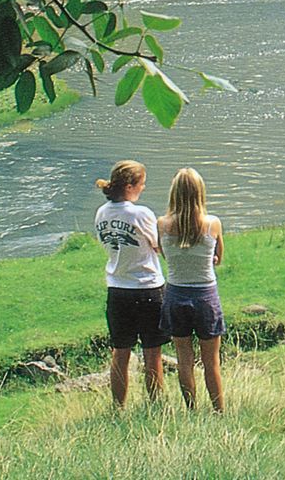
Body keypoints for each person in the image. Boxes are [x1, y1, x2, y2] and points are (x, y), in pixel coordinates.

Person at [94, 159, 167, 407]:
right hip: (147, 286)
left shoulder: (102, 213)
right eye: (141, 184)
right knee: (152, 353)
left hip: (117, 288)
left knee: (120, 353)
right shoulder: (141, 213)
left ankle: (118, 407)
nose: (143, 188)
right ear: (129, 185)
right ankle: (156, 406)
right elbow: (158, 246)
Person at [157, 167, 226, 411]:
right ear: (200, 193)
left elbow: (165, 255)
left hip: (175, 294)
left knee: (184, 360)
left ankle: (191, 408)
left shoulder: (162, 224)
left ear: (173, 193)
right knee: (211, 362)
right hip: (205, 295)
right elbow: (218, 257)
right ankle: (219, 410)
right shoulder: (212, 223)